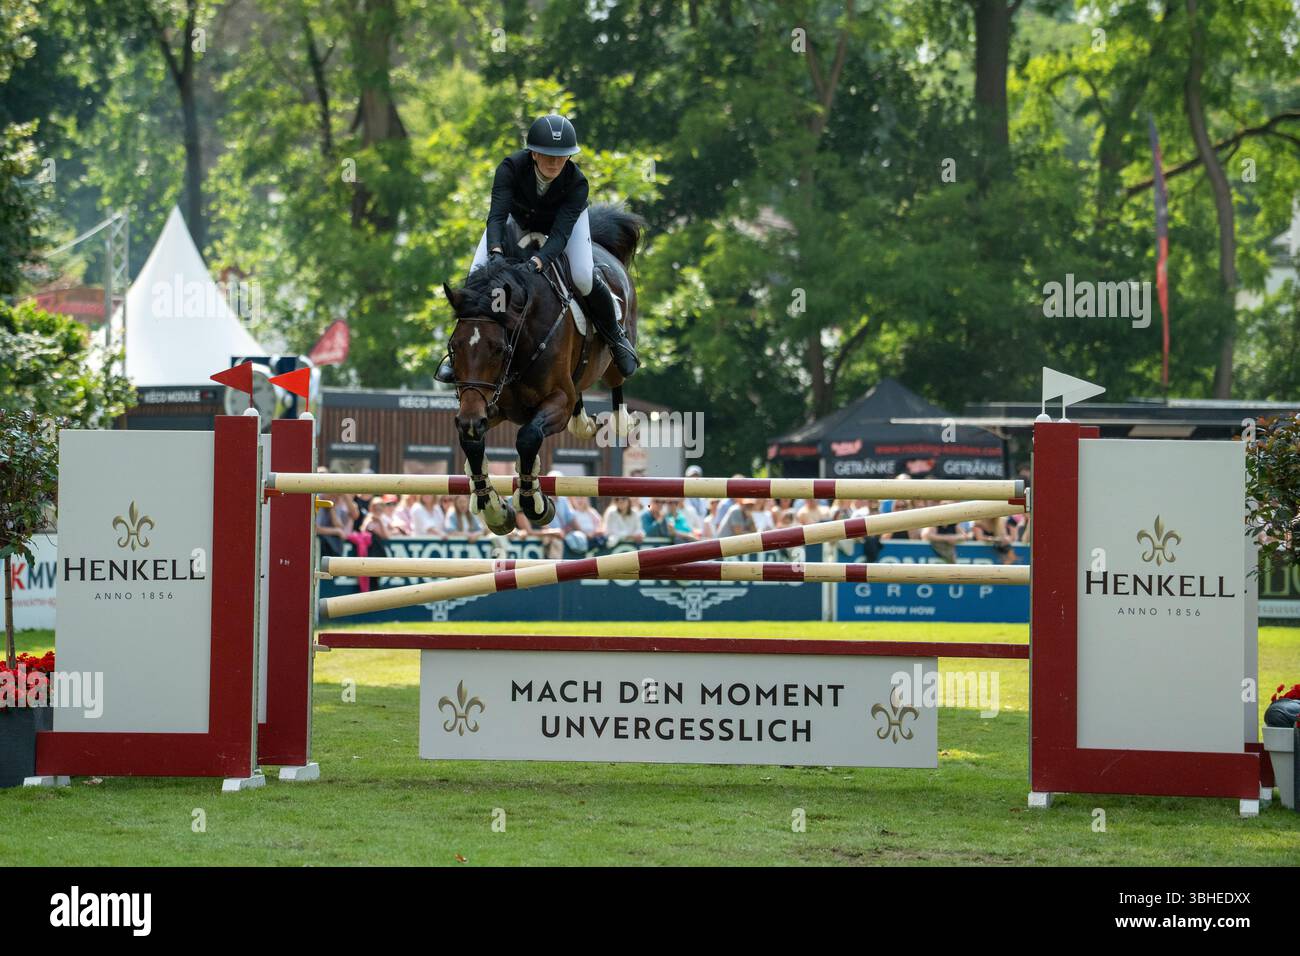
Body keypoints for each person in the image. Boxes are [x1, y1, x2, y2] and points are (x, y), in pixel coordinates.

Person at [436, 113, 638, 382]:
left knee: (582, 276)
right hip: (517, 220)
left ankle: (616, 337)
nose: (555, 162)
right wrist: (496, 251)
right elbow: (497, 215)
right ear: (533, 153)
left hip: (564, 227)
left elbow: (559, 235)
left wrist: (538, 262)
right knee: (476, 278)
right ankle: (455, 356)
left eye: (562, 156)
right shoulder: (509, 168)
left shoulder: (577, 182)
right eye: (547, 155)